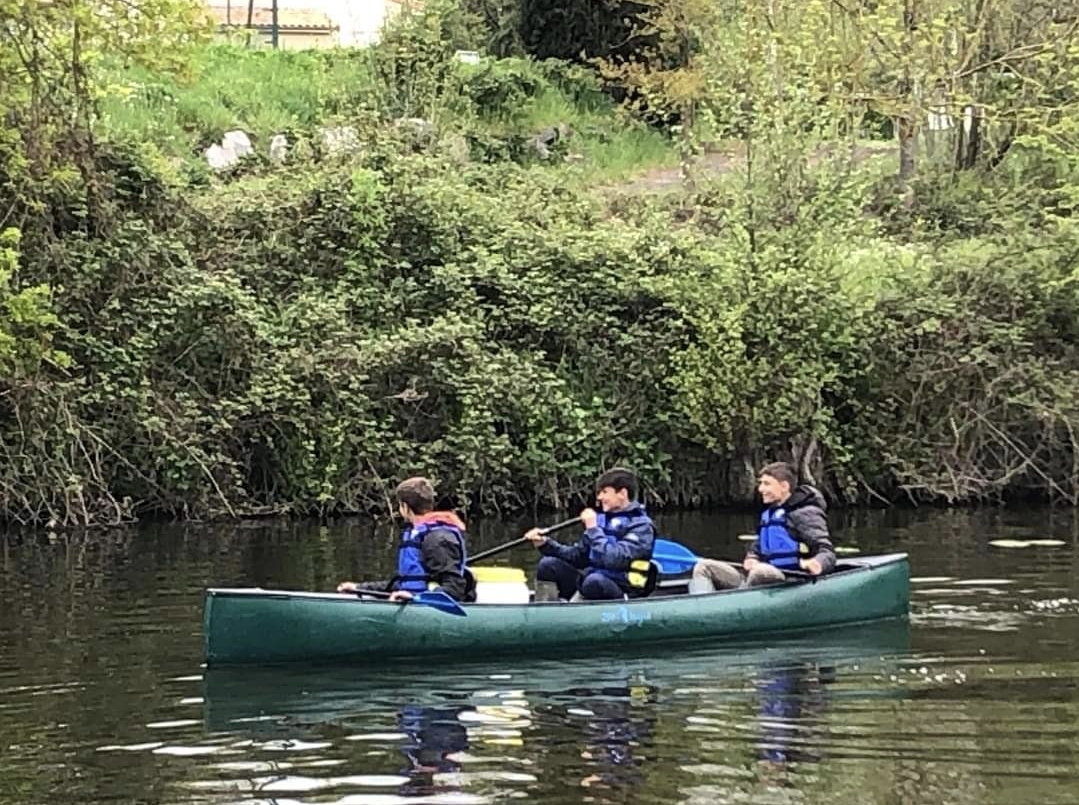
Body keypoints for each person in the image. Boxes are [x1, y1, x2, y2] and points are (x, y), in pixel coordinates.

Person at [690, 462, 836, 591]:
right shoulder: (770, 514)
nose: (760, 489)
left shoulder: (805, 513)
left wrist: (817, 563)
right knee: (704, 566)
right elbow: (757, 547)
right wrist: (752, 557)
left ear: (784, 486)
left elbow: (827, 552)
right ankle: (701, 604)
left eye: (767, 484)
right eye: (761, 484)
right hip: (759, 577)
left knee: (760, 571)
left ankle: (738, 604)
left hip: (791, 579)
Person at [525, 467, 655, 601]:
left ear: (622, 493)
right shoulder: (601, 521)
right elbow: (578, 557)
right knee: (548, 564)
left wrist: (593, 529)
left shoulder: (642, 526)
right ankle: (545, 609)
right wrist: (545, 543)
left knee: (594, 582)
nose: (599, 497)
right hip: (591, 582)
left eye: (605, 492)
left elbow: (614, 560)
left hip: (623, 589)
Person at [338, 476, 475, 602]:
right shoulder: (418, 534)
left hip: (434, 607)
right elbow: (402, 583)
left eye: (399, 505)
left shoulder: (437, 539)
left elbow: (454, 588)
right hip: (417, 602)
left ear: (405, 507)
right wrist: (359, 588)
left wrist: (416, 598)